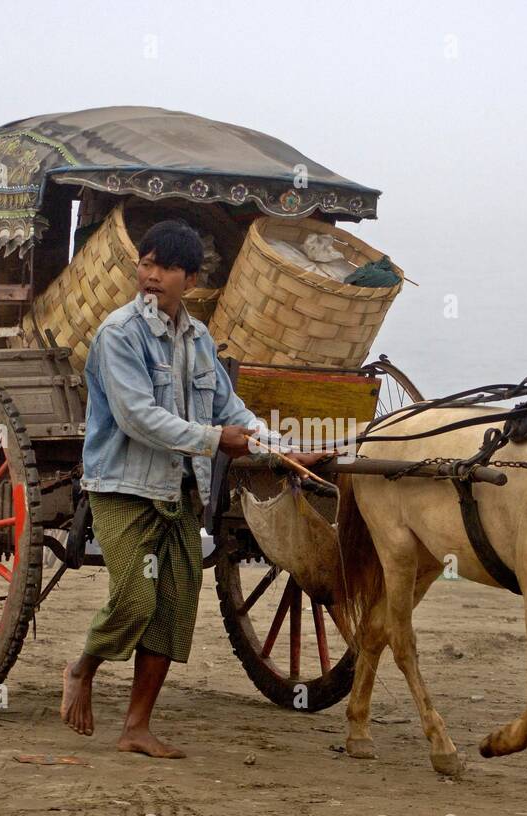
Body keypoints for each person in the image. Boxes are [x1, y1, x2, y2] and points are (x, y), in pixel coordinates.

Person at [61, 219, 328, 758]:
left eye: (164, 267)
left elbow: (232, 410)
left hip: (181, 494)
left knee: (175, 611)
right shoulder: (119, 335)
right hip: (124, 487)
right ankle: (82, 666)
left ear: (191, 278)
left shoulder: (200, 340)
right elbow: (138, 417)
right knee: (135, 598)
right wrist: (214, 439)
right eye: (146, 263)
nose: (151, 275)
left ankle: (136, 727)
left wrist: (280, 450)